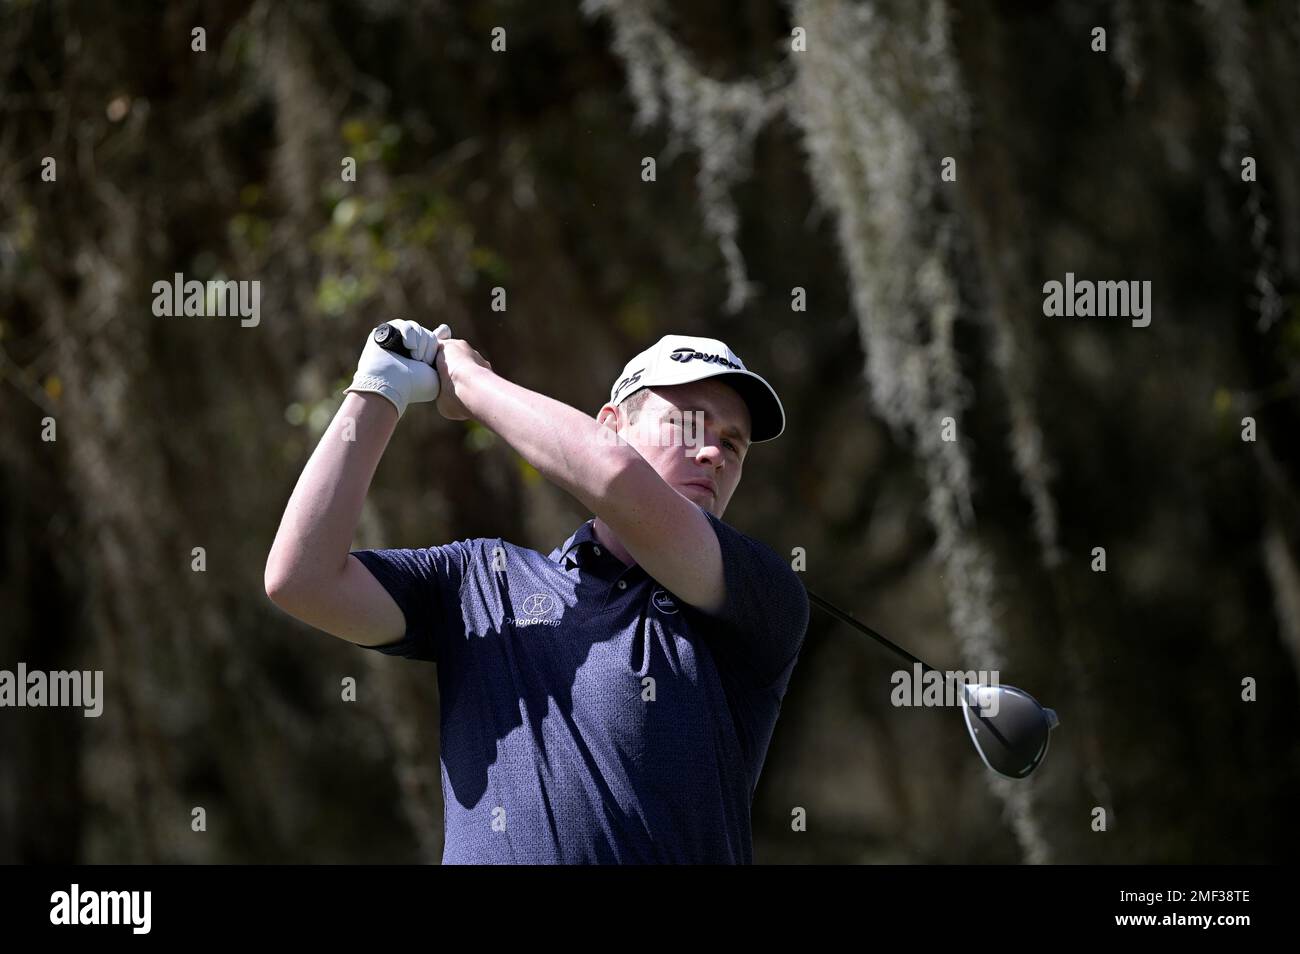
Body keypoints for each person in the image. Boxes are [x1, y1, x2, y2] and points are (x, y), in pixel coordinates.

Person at [264, 322, 809, 863]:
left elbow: (615, 478)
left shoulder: (762, 599)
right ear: (612, 425)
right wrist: (377, 390)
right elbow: (302, 580)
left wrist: (471, 382)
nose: (713, 453)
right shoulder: (479, 581)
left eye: (732, 444)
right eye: (690, 424)